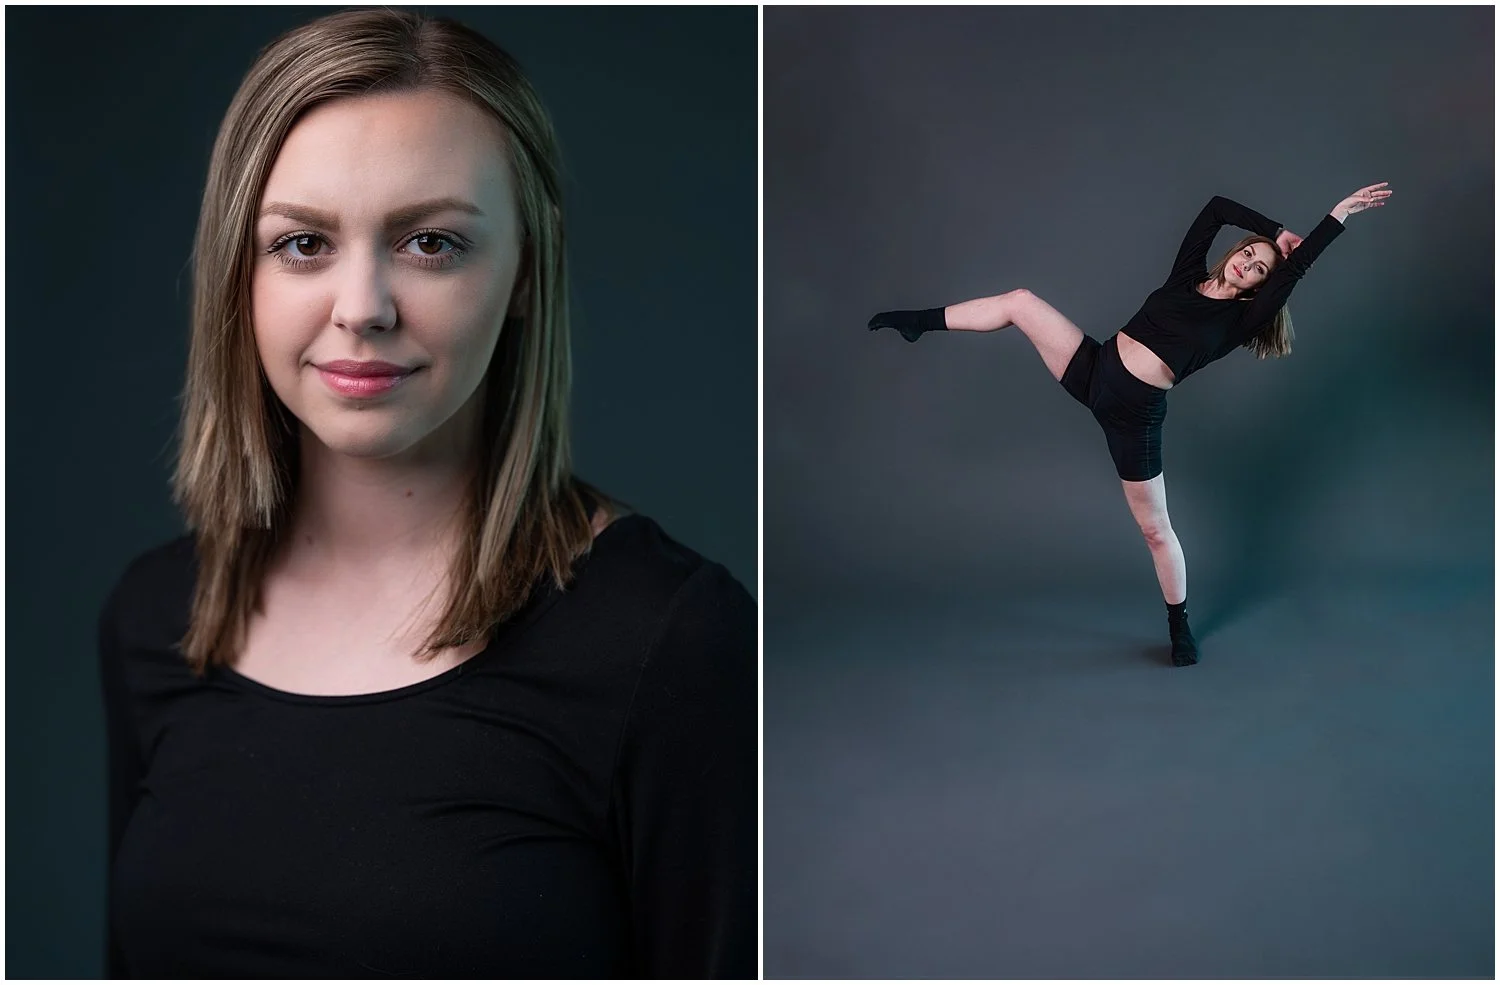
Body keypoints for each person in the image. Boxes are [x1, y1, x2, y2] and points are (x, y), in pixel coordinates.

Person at [97, 8, 755, 978]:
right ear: (240, 271)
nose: (361, 307)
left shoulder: (672, 639)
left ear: (528, 265)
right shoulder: (154, 619)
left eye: (432, 243)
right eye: (303, 244)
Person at [868, 183, 1392, 667]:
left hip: (1133, 416)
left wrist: (1337, 215)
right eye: (1248, 254)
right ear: (1235, 252)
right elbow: (1215, 208)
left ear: (1260, 287)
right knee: (1020, 302)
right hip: (1093, 370)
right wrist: (1275, 230)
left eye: (1259, 269)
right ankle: (918, 322)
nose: (1248, 265)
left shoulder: (1240, 321)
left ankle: (1178, 626)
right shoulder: (1186, 277)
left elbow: (1296, 272)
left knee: (1155, 531)